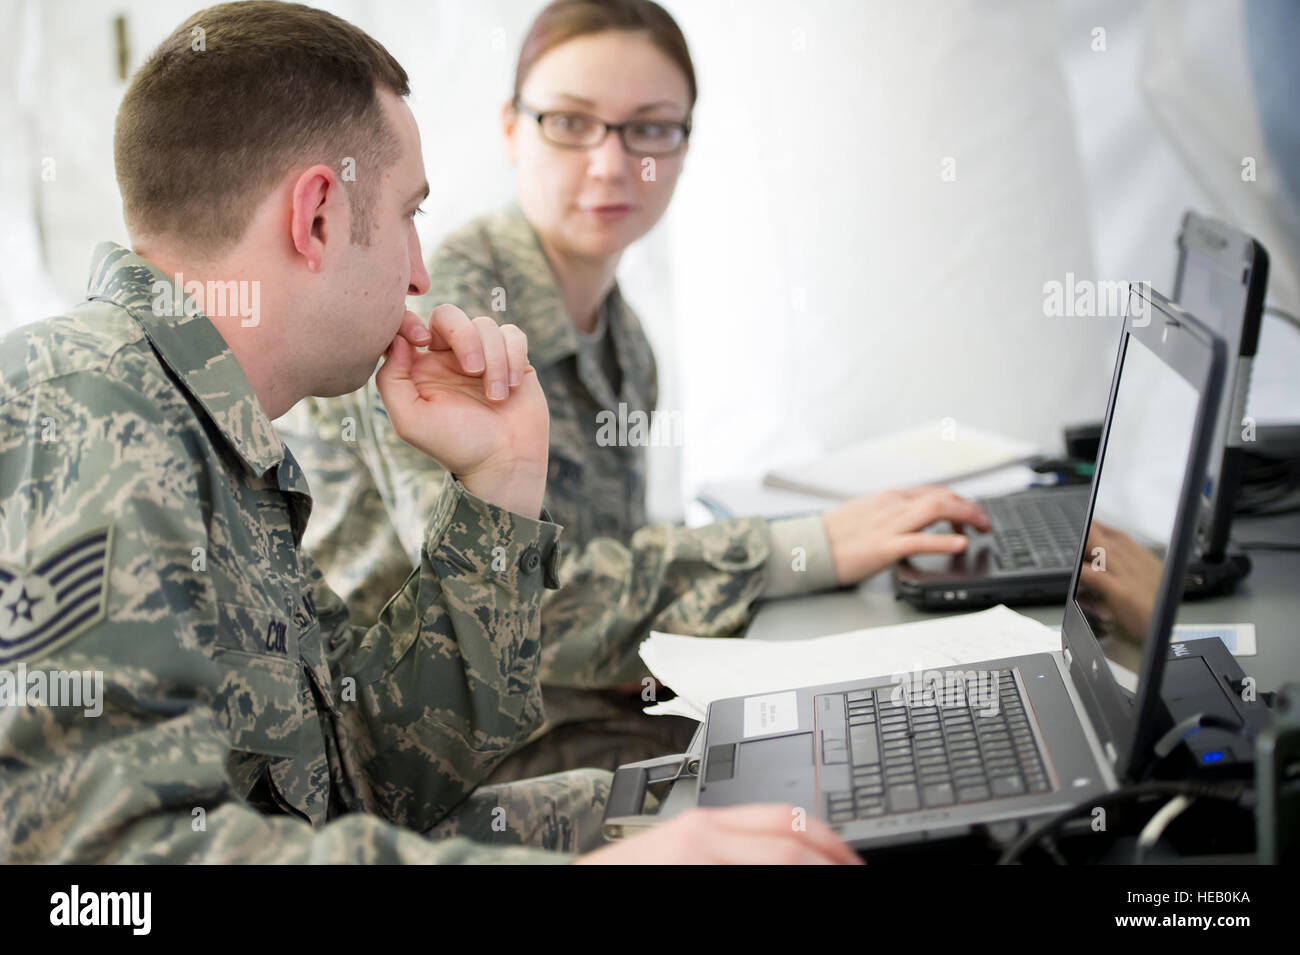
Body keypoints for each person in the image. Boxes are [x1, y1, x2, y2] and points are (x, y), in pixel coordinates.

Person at [0, 0, 858, 866]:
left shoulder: (215, 436)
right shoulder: (84, 406)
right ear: (318, 216)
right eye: (410, 213)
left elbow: (371, 780)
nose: (419, 271)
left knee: (765, 801)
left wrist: (501, 487)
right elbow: (107, 876)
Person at [283, 0, 992, 783]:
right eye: (571, 122)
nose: (612, 165)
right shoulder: (447, 311)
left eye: (651, 128)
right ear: (513, 129)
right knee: (824, 788)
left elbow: (602, 587)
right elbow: (527, 616)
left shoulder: (628, 345)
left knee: (893, 737)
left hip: (591, 710)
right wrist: (807, 548)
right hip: (451, 757)